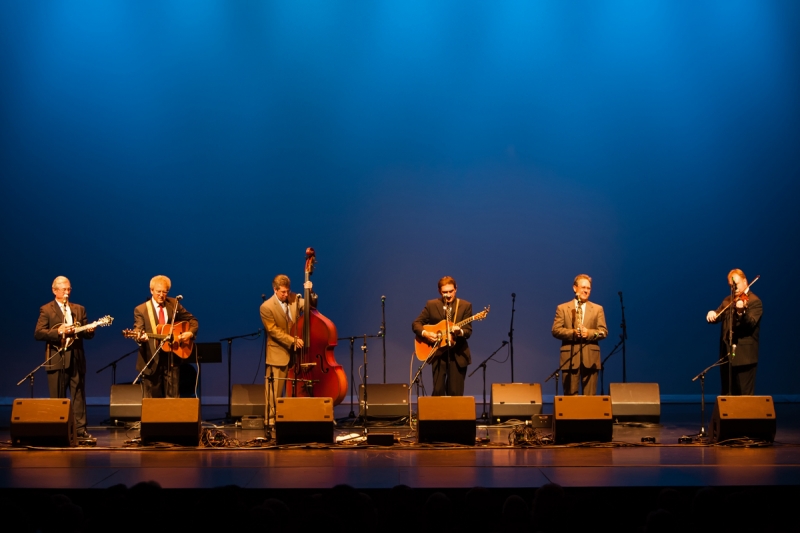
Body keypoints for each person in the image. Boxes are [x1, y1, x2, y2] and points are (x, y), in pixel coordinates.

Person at [34, 276, 95, 439]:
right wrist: (58, 331)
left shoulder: (79, 309)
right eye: (64, 290)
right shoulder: (47, 309)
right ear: (55, 291)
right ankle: (58, 430)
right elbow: (39, 333)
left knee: (79, 395)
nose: (67, 292)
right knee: (57, 397)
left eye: (69, 289)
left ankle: (80, 430)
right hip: (57, 358)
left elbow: (86, 335)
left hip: (76, 357)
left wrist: (90, 331)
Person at [131, 275, 198, 398]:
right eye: (158, 292)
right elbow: (138, 329)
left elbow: (192, 321)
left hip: (171, 358)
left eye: (165, 292)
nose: (161, 295)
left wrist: (190, 333)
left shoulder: (174, 304)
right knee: (152, 401)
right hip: (151, 359)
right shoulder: (141, 309)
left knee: (173, 401)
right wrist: (139, 337)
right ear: (151, 290)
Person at [260, 275, 313, 423]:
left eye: (287, 291)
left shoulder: (294, 298)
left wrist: (309, 292)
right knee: (274, 389)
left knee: (295, 388)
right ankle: (271, 419)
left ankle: (291, 417)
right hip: (278, 352)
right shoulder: (266, 307)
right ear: (275, 290)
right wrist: (292, 340)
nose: (286, 294)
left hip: (296, 353)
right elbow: (273, 331)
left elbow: (310, 307)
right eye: (283, 292)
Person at [412, 276, 473, 396]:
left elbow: (468, 331)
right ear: (440, 291)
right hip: (438, 354)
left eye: (451, 291)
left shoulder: (465, 305)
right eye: (445, 292)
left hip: (458, 355)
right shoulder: (432, 305)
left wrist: (459, 331)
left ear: (456, 289)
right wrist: (426, 334)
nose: (448, 295)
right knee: (438, 391)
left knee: (455, 393)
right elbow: (416, 324)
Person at [706, 269, 762, 395]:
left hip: (744, 358)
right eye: (731, 286)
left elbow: (750, 324)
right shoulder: (728, 301)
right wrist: (712, 313)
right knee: (727, 395)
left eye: (736, 284)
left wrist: (741, 313)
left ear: (745, 281)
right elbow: (718, 314)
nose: (734, 288)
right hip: (727, 356)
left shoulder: (754, 301)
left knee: (744, 397)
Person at [551, 274, 608, 395]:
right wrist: (573, 333)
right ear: (575, 288)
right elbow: (556, 330)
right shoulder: (563, 308)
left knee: (590, 399)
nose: (586, 291)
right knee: (570, 399)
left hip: (591, 359)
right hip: (570, 358)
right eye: (583, 287)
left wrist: (589, 333)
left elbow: (603, 331)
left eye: (588, 288)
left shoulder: (597, 309)